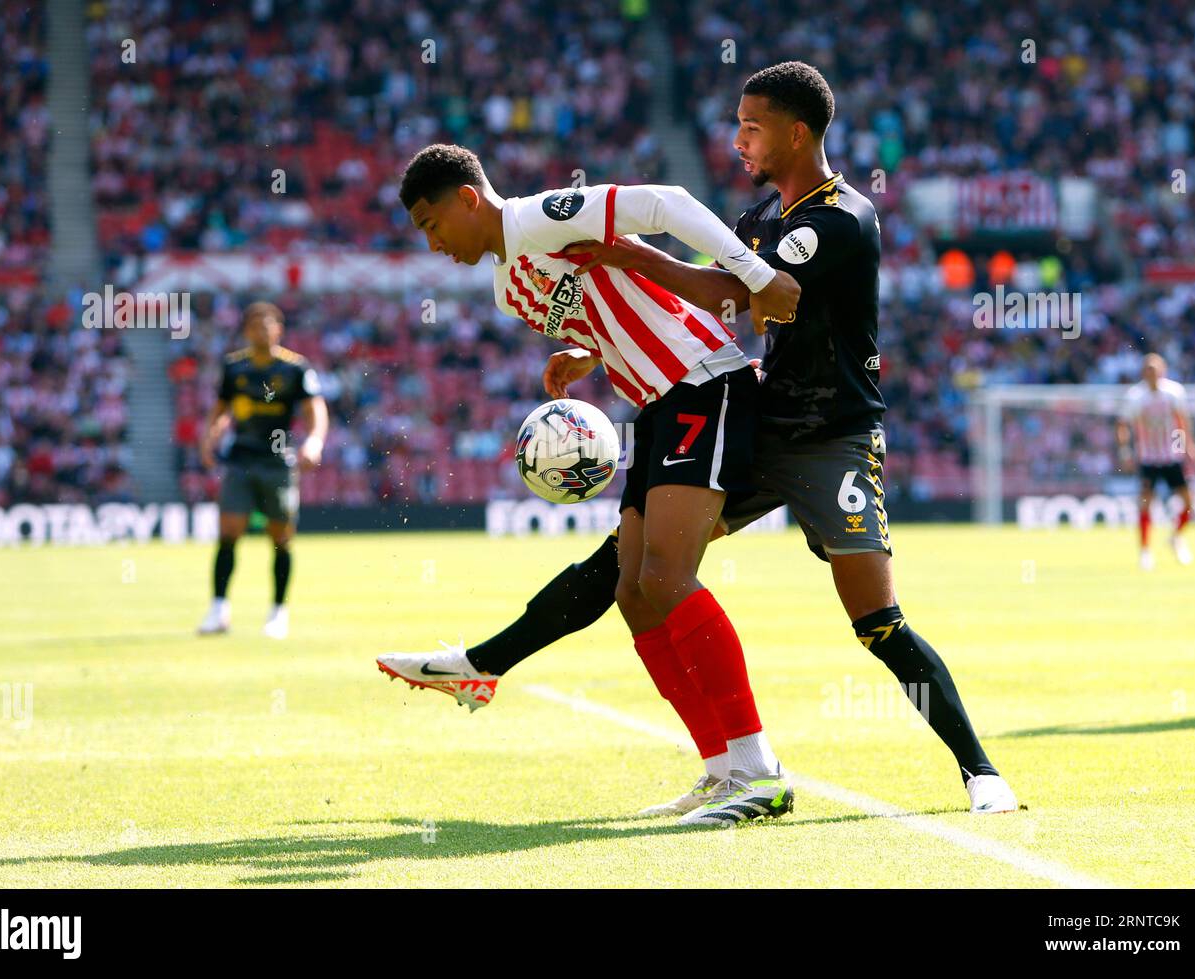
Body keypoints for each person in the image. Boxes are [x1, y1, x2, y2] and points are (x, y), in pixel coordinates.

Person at [382, 62, 1017, 817]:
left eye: (752, 127)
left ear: (797, 133)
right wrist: (597, 347)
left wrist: (636, 257)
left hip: (832, 434)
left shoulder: (841, 218)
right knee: (633, 577)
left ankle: (977, 772)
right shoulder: (757, 220)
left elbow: (756, 287)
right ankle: (721, 764)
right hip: (761, 414)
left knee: (875, 623)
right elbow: (716, 297)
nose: (738, 140)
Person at [390, 142, 804, 825]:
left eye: (432, 225)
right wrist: (589, 353)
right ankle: (721, 770)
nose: (433, 244)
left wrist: (757, 276)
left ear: (467, 199)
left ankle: (759, 770)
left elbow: (667, 203)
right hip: (656, 403)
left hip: (702, 378)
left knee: (666, 576)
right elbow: (617, 300)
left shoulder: (541, 217)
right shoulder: (507, 289)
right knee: (634, 592)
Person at [197, 302, 328, 639]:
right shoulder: (233, 367)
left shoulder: (295, 368)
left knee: (280, 537)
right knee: (229, 531)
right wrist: (210, 437)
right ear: (246, 331)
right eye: (255, 326)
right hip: (241, 458)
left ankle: (278, 612)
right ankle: (218, 609)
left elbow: (315, 409)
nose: (262, 331)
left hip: (278, 459)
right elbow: (221, 409)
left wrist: (314, 441)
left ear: (279, 330)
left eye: (268, 325)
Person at [1117, 353, 1195, 569]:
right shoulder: (1135, 397)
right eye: (1148, 370)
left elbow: (1182, 421)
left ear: (1163, 370)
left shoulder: (1174, 392)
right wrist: (1125, 451)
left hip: (1172, 457)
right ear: (1143, 373)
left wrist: (1187, 446)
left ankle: (1176, 537)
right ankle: (1145, 551)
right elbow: (1123, 425)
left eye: (1156, 369)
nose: (1152, 374)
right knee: (1145, 503)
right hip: (1148, 459)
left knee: (1190, 503)